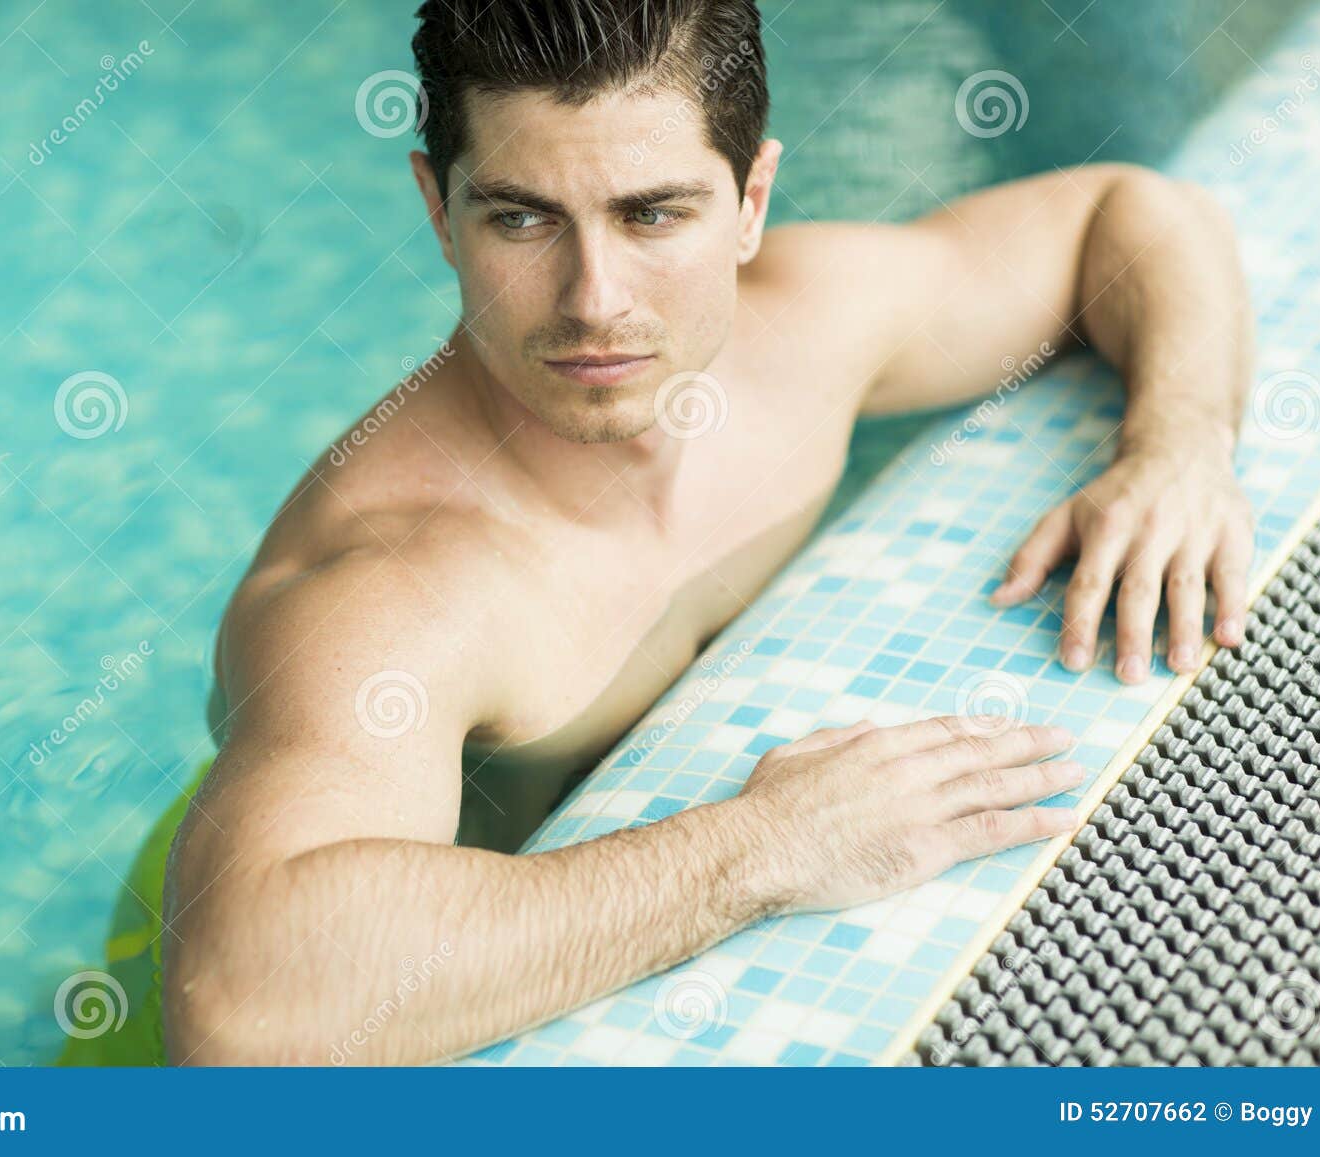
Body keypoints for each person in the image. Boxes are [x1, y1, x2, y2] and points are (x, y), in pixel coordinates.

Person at [162, 0, 1254, 1065]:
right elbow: (243, 1009)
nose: (594, 299)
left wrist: (1178, 444)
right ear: (439, 212)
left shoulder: (806, 325)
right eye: (521, 216)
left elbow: (1136, 215)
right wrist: (762, 846)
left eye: (651, 214)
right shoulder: (393, 582)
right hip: (291, 865)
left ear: (751, 200)